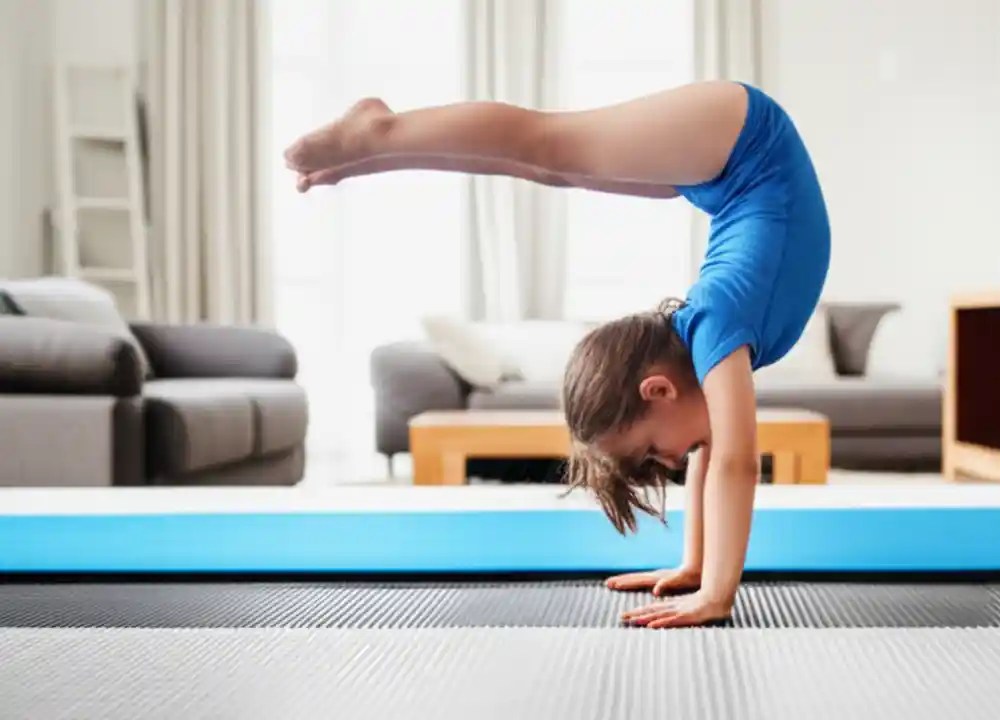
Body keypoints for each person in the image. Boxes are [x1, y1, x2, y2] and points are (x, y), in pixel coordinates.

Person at [285, 80, 830, 628]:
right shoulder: (717, 334)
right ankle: (372, 145)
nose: (669, 462)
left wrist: (712, 586)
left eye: (651, 453)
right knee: (546, 159)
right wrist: (703, 577)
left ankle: (378, 138)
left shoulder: (713, 337)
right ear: (658, 389)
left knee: (550, 154)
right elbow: (728, 457)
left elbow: (724, 457)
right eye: (654, 454)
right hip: (741, 149)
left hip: (741, 147)